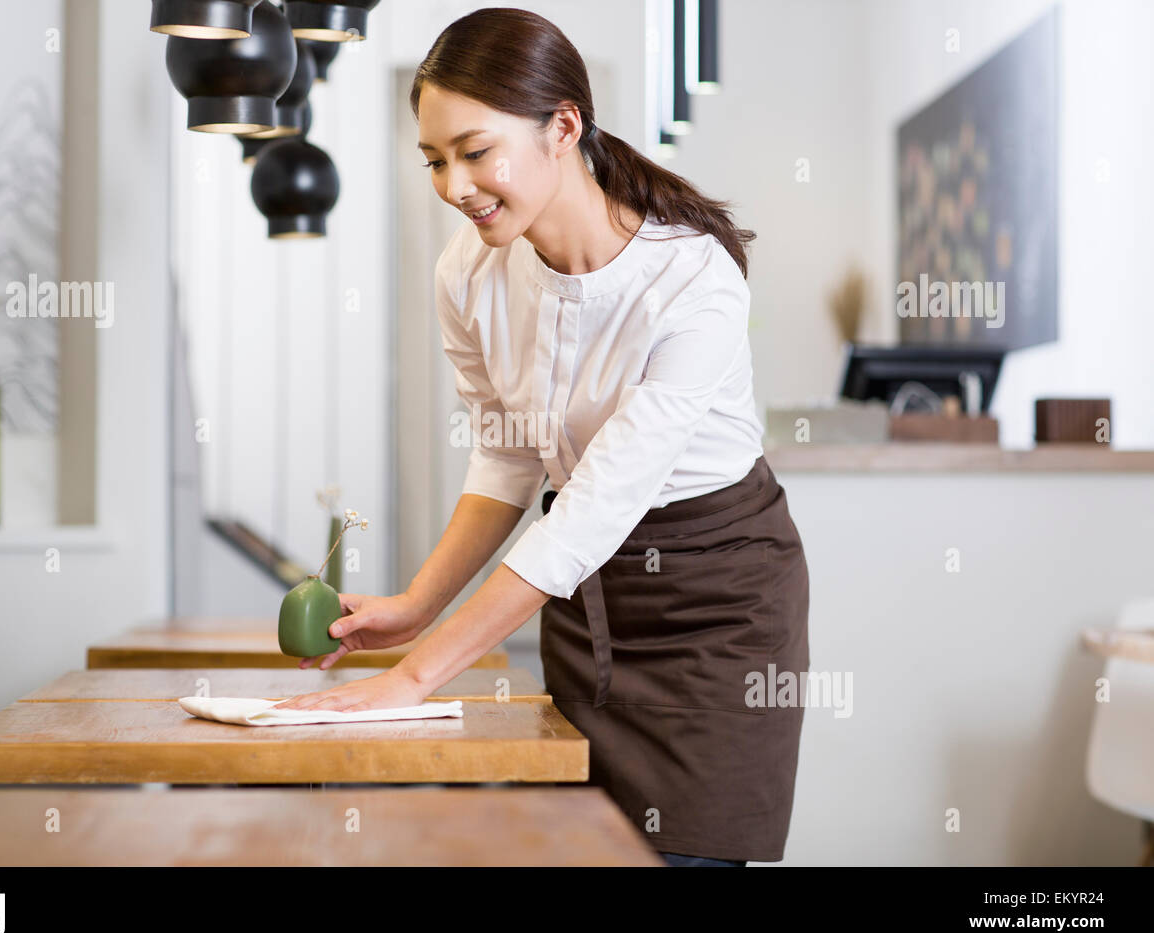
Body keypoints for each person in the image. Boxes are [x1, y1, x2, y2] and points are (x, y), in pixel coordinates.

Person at [273, 7, 810, 867]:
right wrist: (417, 607)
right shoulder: (469, 270)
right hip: (586, 596)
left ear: (564, 126)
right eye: (435, 160)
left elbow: (597, 507)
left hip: (716, 606)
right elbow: (511, 452)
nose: (454, 185)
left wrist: (412, 680)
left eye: (475, 152)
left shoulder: (692, 278)